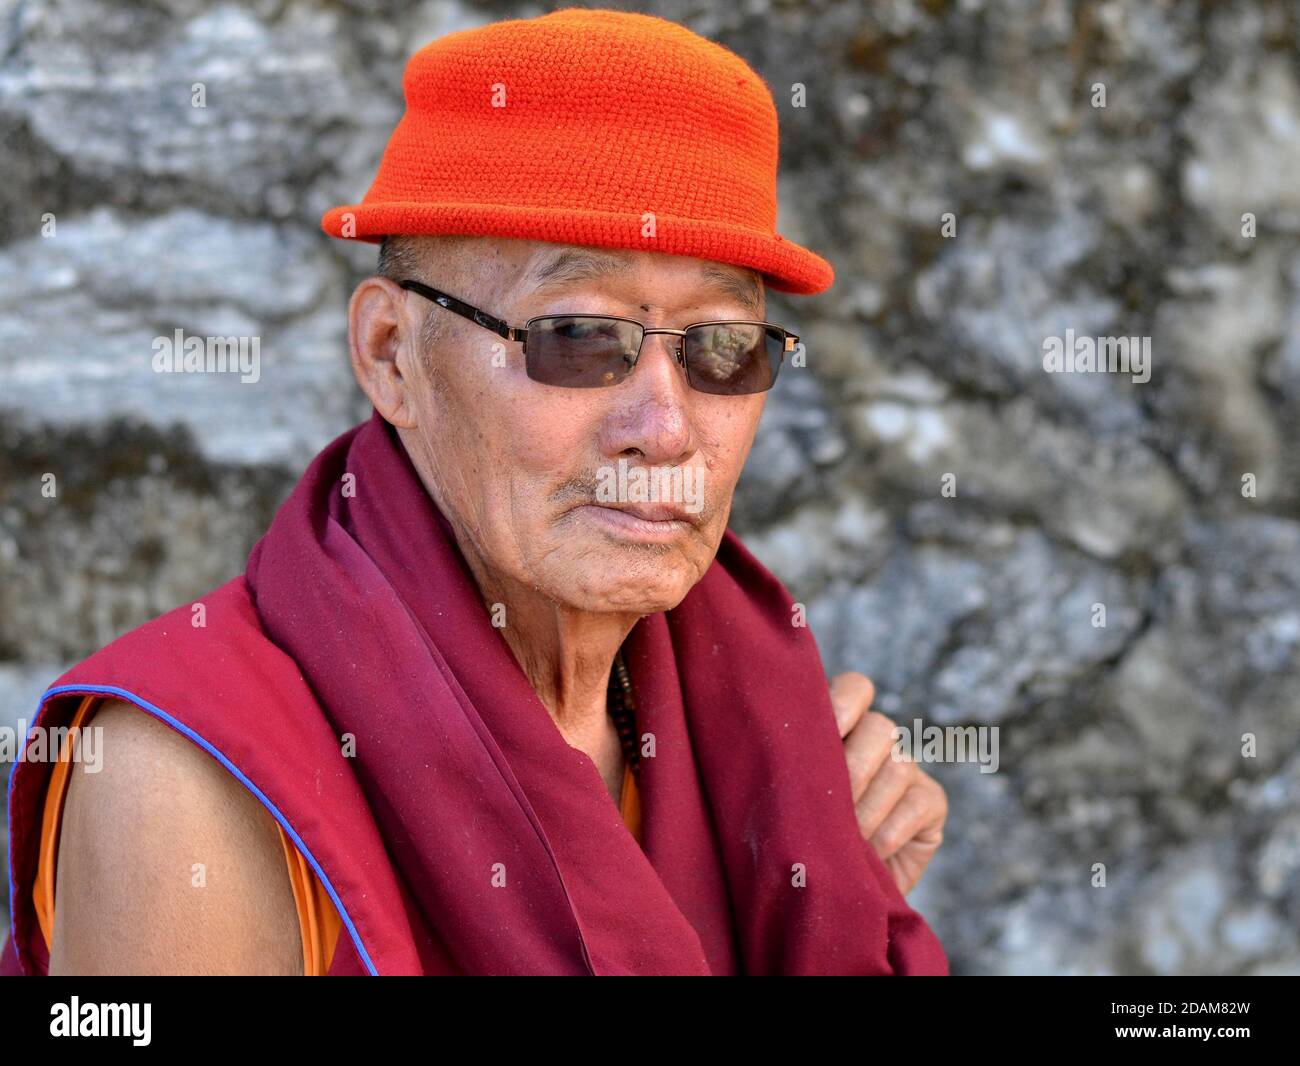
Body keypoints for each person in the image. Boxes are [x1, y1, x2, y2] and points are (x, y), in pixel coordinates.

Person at [3, 7, 948, 976]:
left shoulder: (760, 743)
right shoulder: (191, 771)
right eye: (577, 336)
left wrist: (831, 892)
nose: (665, 427)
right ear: (390, 356)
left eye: (720, 345)